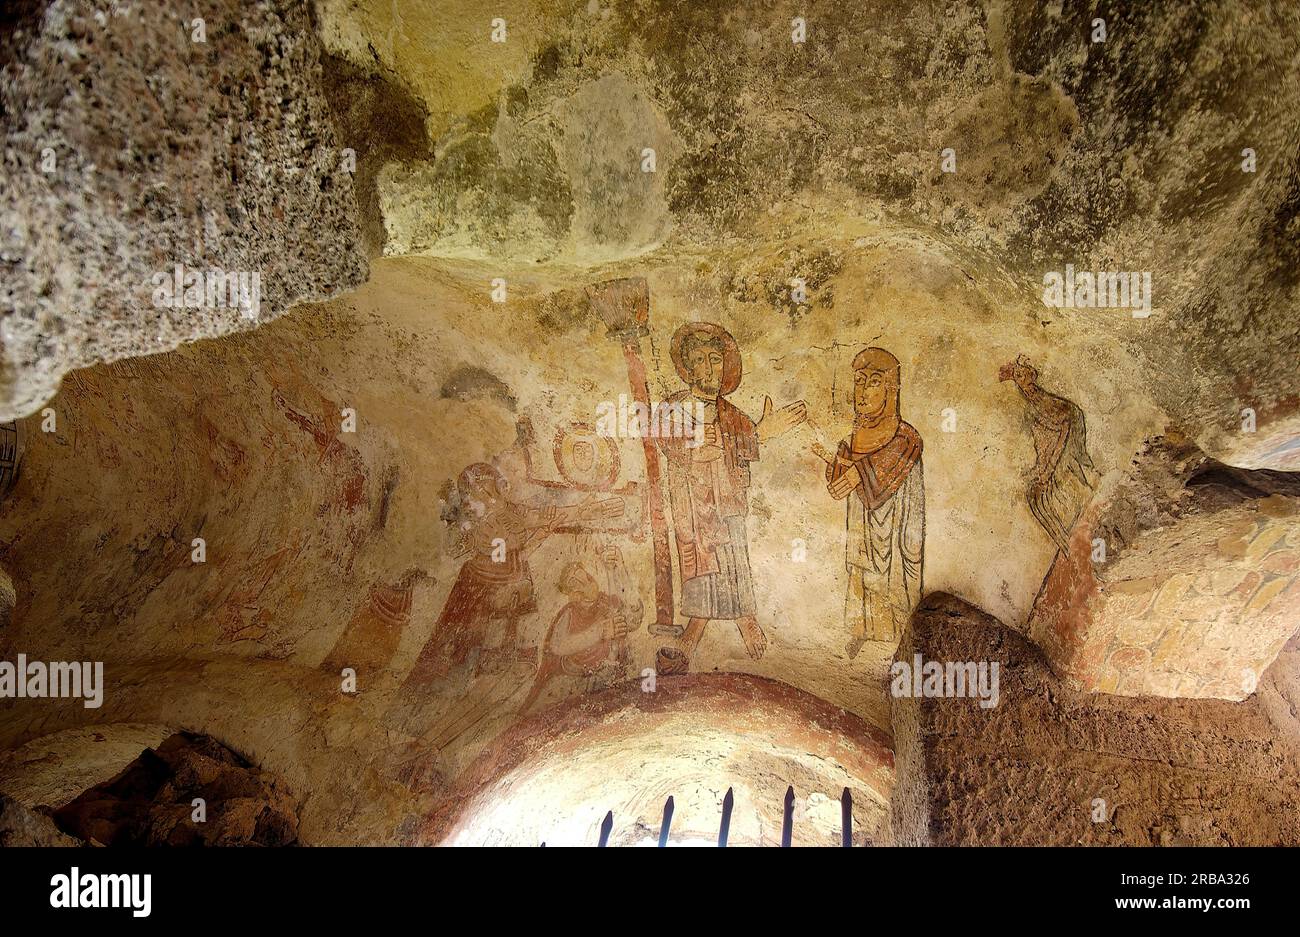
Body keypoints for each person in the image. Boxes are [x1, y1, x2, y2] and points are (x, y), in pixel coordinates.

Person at [659, 322, 806, 663]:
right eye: (699, 359)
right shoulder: (674, 407)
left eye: (715, 358)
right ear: (686, 366)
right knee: (700, 569)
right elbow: (665, 441)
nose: (708, 367)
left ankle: (746, 618)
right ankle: (694, 629)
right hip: (695, 508)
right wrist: (695, 449)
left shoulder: (732, 414)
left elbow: (747, 442)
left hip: (727, 505)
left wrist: (764, 431)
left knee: (734, 562)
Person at [825, 347, 924, 656]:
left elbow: (899, 456)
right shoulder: (855, 437)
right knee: (861, 570)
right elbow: (842, 475)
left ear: (890, 389)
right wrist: (838, 473)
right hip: (861, 532)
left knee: (889, 574)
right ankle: (863, 629)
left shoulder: (905, 437)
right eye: (859, 381)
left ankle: (896, 637)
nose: (863, 391)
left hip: (893, 534)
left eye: (873, 382)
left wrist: (860, 474)